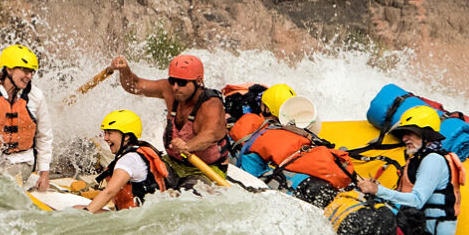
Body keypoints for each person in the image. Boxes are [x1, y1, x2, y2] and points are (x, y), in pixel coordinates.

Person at [354, 104, 464, 235]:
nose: (405, 138)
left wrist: (378, 190)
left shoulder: (433, 160)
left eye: (411, 133)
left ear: (426, 135)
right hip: (416, 230)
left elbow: (416, 201)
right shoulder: (418, 158)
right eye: (404, 134)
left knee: (371, 227)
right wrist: (374, 190)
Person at [107, 53, 230, 187]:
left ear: (198, 81)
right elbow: (134, 85)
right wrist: (124, 70)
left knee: (187, 192)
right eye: (172, 81)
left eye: (182, 82)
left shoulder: (211, 104)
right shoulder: (169, 90)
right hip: (173, 163)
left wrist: (187, 146)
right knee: (139, 181)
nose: (175, 87)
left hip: (206, 169)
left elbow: (211, 134)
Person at [229, 89, 355, 205]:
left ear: (266, 108)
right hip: (324, 182)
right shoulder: (295, 136)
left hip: (299, 185)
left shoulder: (256, 128)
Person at [0, 44, 53, 191]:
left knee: (1, 184)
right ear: (9, 69)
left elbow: (44, 136)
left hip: (21, 162)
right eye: (25, 71)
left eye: (31, 72)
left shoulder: (36, 96)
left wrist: (44, 174)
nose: (29, 76)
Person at [83, 110, 169, 213]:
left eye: (109, 133)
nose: (105, 138)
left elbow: (109, 192)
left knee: (78, 209)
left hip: (135, 218)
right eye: (105, 133)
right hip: (146, 214)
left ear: (127, 136)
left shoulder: (129, 160)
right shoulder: (140, 152)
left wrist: (85, 213)